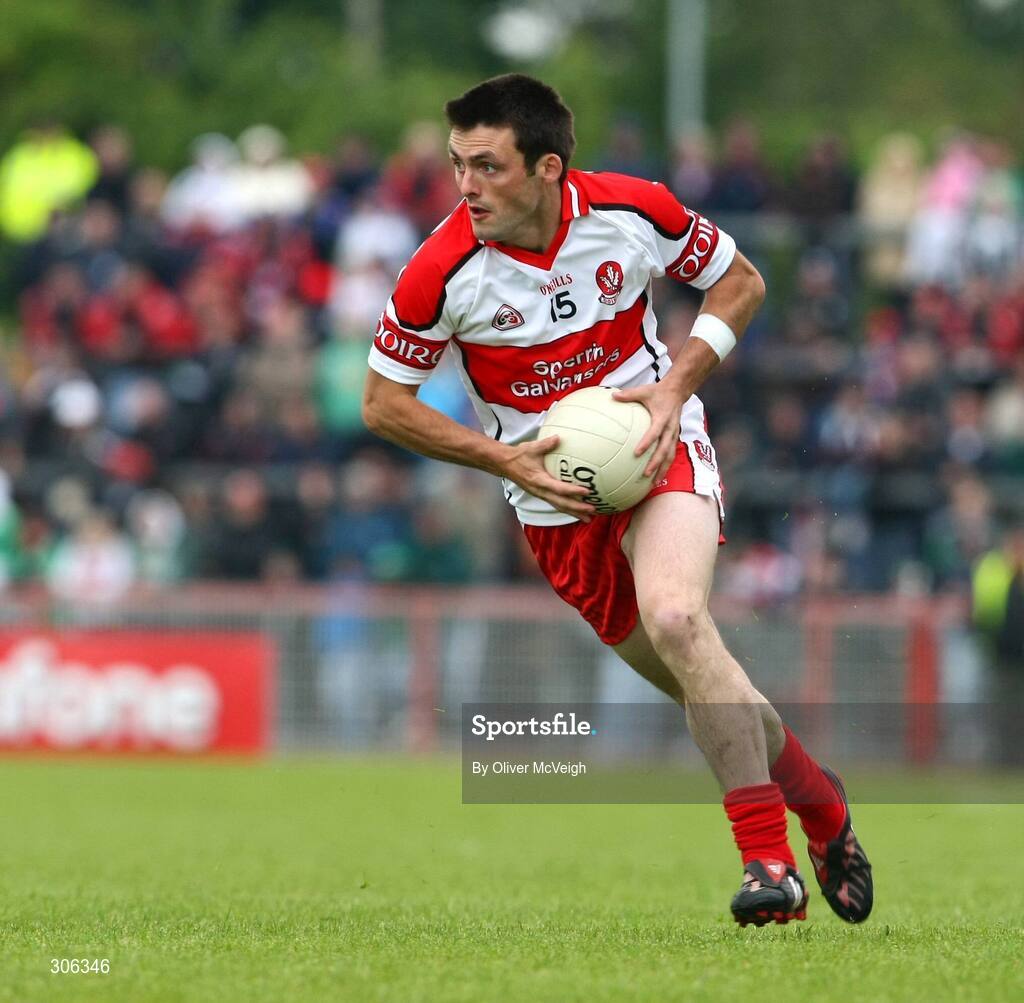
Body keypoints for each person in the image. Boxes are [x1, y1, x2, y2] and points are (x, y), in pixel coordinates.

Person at [362, 74, 872, 927]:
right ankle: (821, 806)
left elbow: (741, 281)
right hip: (553, 502)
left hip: (655, 445)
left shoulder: (633, 211)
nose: (465, 186)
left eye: (486, 166)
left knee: (678, 619)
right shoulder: (442, 270)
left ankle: (767, 864)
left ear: (548, 166)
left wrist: (675, 387)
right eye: (457, 165)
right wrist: (503, 461)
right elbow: (384, 403)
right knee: (701, 682)